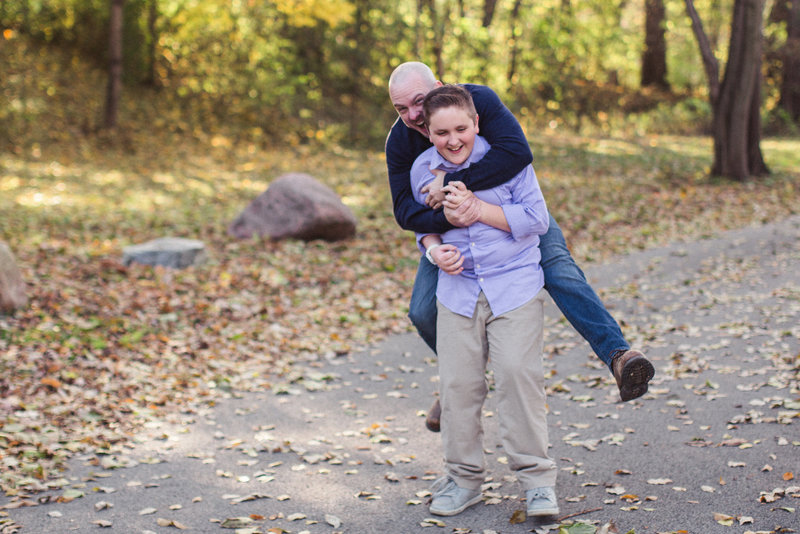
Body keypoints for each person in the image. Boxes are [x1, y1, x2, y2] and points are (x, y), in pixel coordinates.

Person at [385, 62, 654, 432]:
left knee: (559, 271)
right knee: (421, 311)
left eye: (419, 101)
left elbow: (516, 153)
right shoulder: (400, 141)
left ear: (439, 85)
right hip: (454, 235)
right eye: (401, 109)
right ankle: (459, 377)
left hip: (512, 215)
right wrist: (451, 217)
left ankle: (619, 355)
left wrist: (452, 184)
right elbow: (404, 211)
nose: (413, 115)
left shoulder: (477, 100)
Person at [412, 84, 557, 517]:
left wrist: (478, 211)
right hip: (458, 291)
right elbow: (423, 224)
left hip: (513, 284)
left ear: (476, 123)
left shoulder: (505, 160)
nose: (453, 140)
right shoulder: (422, 169)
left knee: (517, 375)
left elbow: (537, 219)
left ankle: (538, 483)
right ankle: (463, 479)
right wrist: (434, 251)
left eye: (461, 129)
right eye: (441, 133)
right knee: (458, 386)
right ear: (428, 133)